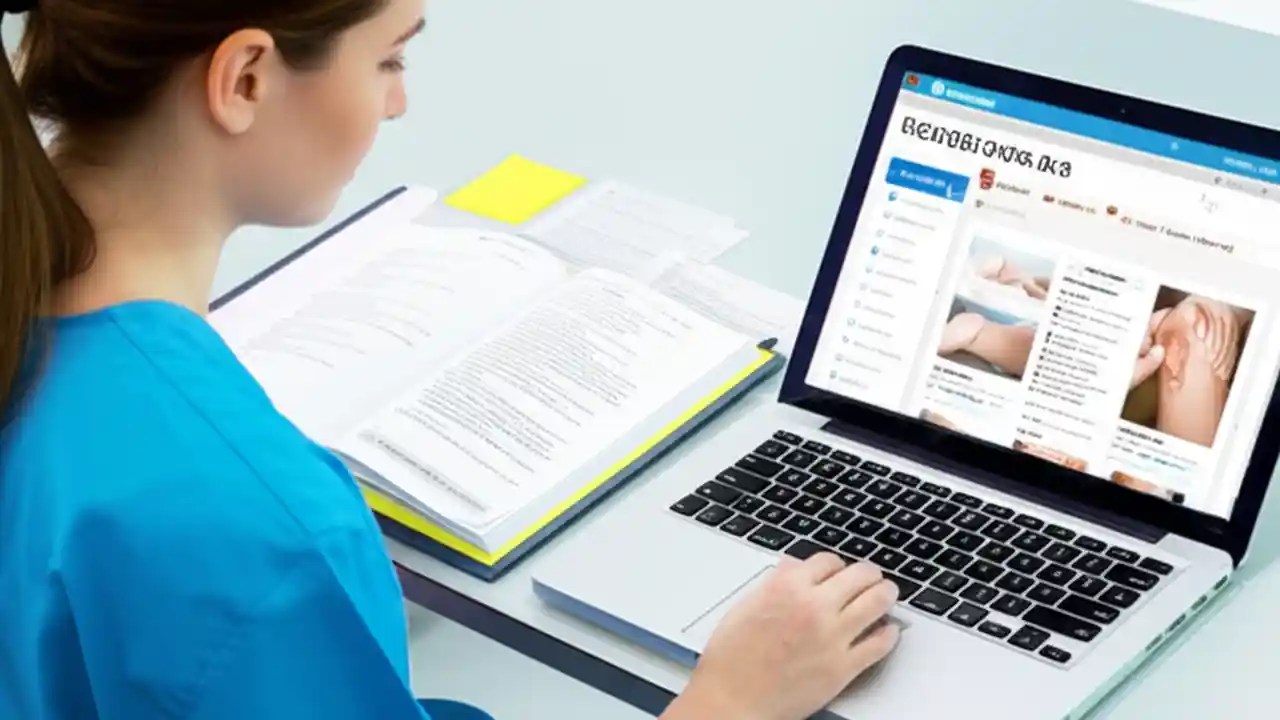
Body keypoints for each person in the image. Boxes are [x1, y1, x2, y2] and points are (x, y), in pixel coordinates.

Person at [0, 1, 900, 719]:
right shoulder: (260, 529)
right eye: (390, 59)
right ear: (244, 77)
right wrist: (731, 703)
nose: (399, 104)